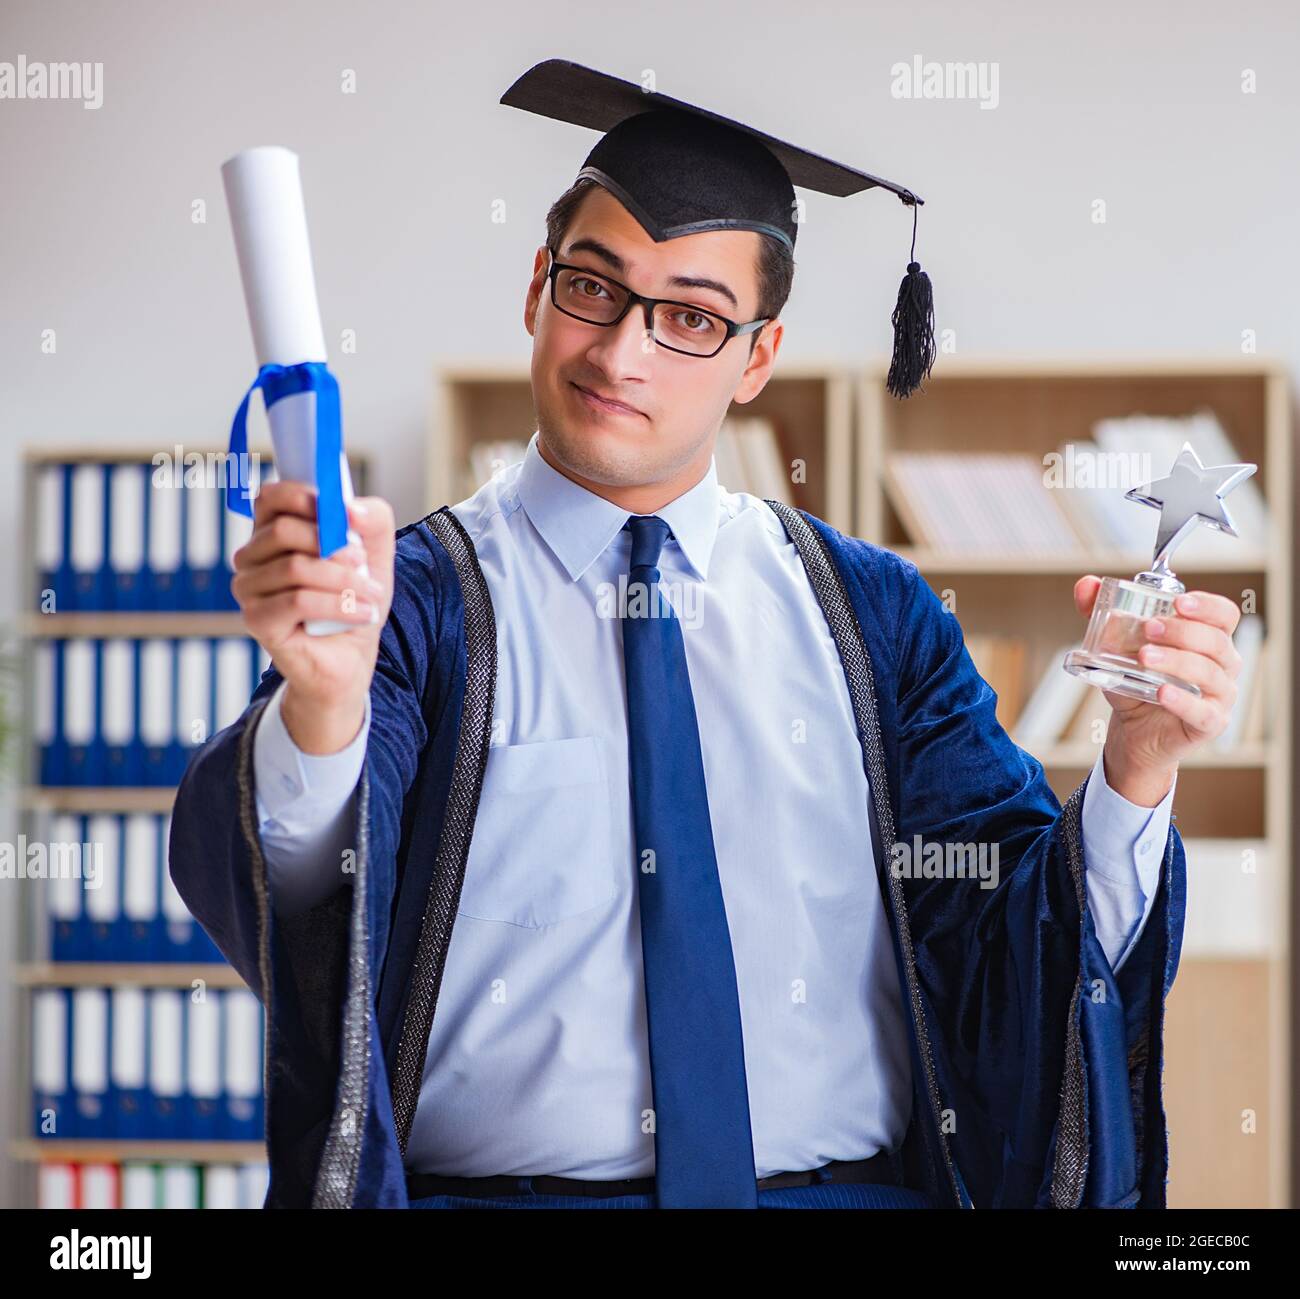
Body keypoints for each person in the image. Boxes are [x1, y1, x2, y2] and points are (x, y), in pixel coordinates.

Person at [170, 60, 1242, 1210]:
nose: (620, 353)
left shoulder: (873, 616)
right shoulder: (416, 600)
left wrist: (1135, 769)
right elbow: (303, 897)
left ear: (757, 359)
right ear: (537, 287)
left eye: (688, 316)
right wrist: (324, 701)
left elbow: (1012, 948)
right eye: (593, 287)